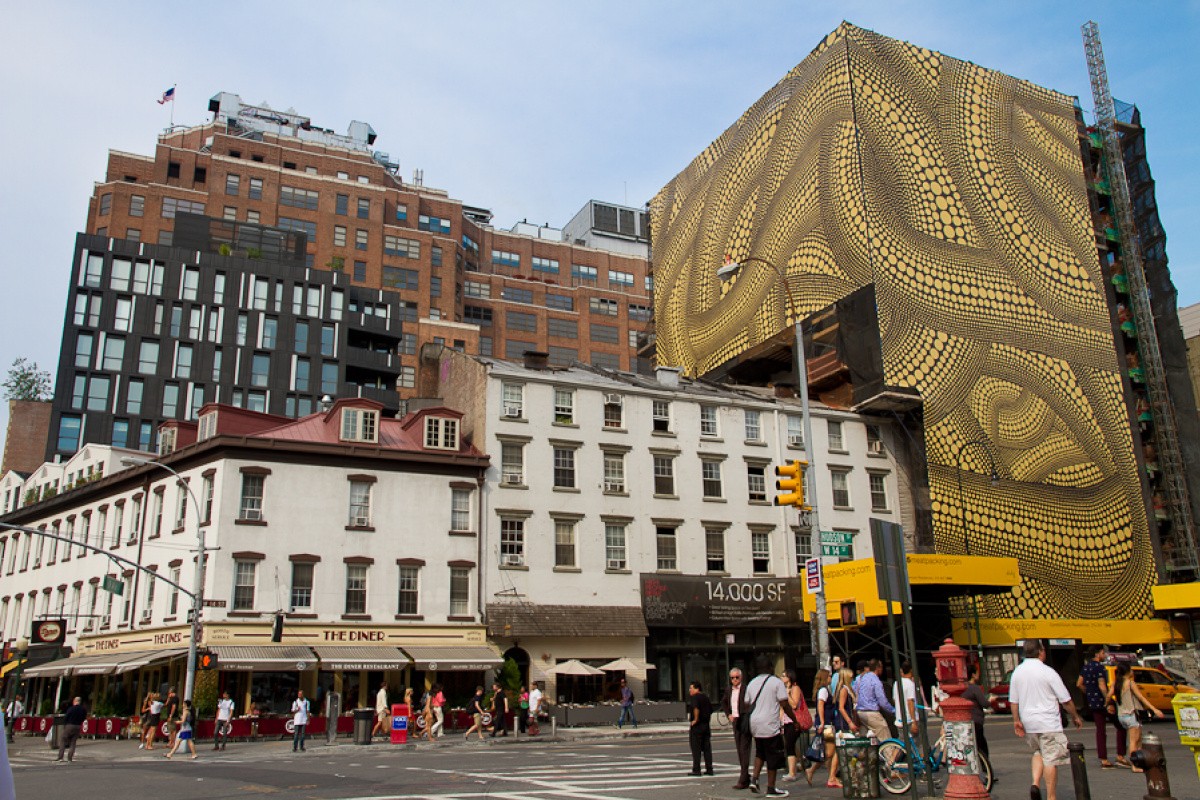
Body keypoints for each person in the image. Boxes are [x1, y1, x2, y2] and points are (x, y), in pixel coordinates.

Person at [1010, 639, 1084, 800]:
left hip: (1029, 722)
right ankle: (1051, 796)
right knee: (1051, 758)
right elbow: (1065, 700)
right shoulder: (1048, 672)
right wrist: (1075, 716)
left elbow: (1013, 701)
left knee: (1038, 752)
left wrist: (1016, 720)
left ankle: (1035, 783)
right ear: (1040, 652)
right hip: (1048, 722)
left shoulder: (1017, 672)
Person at [745, 653, 793, 797]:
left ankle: (754, 779)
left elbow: (747, 703)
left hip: (755, 723)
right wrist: (795, 720)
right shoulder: (776, 682)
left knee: (760, 751)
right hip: (770, 723)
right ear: (770, 667)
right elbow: (784, 703)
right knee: (773, 756)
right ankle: (771, 788)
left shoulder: (752, 683)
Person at [1109, 662, 1165, 772]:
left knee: (1138, 740)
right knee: (1134, 741)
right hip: (1131, 715)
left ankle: (1140, 762)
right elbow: (1141, 698)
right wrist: (1154, 709)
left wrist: (1108, 704)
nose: (1132, 672)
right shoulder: (1130, 683)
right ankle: (1135, 765)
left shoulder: (1116, 683)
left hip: (1121, 716)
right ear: (1128, 672)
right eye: (1131, 670)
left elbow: (1108, 695)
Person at [1076, 645, 1125, 769]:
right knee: (1120, 726)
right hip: (1103, 701)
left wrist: (1089, 692)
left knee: (1100, 730)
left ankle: (1103, 758)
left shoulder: (1086, 667)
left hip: (1093, 702)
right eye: (1103, 653)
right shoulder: (1099, 667)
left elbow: (1079, 684)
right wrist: (1108, 701)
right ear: (1098, 654)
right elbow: (1102, 685)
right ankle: (1120, 755)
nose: (1105, 655)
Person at [805, 669, 837, 789]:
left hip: (827, 723)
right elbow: (820, 705)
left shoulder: (825, 690)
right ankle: (829, 776)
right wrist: (823, 722)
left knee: (828, 752)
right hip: (826, 724)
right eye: (829, 676)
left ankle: (830, 775)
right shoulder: (823, 691)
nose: (830, 678)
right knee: (830, 752)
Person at [723, 668, 752, 790]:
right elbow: (724, 702)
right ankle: (745, 775)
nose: (734, 680)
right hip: (735, 721)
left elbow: (751, 703)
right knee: (739, 750)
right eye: (732, 678)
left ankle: (743, 778)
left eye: (737, 677)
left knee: (744, 749)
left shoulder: (746, 689)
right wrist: (728, 714)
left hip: (744, 720)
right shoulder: (729, 690)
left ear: (741, 677)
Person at [854, 658, 895, 742]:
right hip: (872, 713)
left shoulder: (860, 678)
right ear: (878, 668)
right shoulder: (875, 681)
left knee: (865, 741)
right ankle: (889, 754)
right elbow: (882, 702)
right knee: (886, 739)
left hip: (860, 713)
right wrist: (893, 711)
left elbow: (855, 692)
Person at [962, 665, 992, 770]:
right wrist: (991, 700)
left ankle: (972, 767)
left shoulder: (962, 688)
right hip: (976, 720)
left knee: (969, 745)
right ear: (973, 675)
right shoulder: (974, 688)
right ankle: (985, 769)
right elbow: (984, 703)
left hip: (966, 720)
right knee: (981, 746)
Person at [780, 669, 803, 782]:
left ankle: (792, 772)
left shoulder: (795, 688)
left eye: (784, 676)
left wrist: (787, 693)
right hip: (785, 721)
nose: (782, 678)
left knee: (789, 745)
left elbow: (794, 705)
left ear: (789, 677)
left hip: (794, 721)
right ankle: (799, 762)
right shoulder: (784, 689)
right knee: (790, 744)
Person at [687, 680, 714, 776]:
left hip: (697, 726)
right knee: (707, 748)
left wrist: (695, 720)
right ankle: (709, 769)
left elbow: (696, 708)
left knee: (696, 749)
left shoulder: (695, 697)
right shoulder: (706, 697)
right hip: (706, 725)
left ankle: (696, 769)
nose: (689, 690)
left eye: (691, 688)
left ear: (697, 689)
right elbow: (711, 710)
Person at [891, 661, 919, 740]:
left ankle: (893, 753)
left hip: (899, 719)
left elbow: (894, 699)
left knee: (902, 745)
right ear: (911, 670)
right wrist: (914, 721)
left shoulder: (896, 683)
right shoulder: (910, 684)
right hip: (909, 720)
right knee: (917, 746)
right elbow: (910, 702)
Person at [55, 696, 88, 762]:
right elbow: (84, 717)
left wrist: (65, 724)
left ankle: (60, 757)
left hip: (70, 725)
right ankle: (70, 758)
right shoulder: (83, 709)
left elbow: (66, 717)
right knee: (73, 742)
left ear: (74, 701)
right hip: (78, 726)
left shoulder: (71, 709)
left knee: (63, 740)